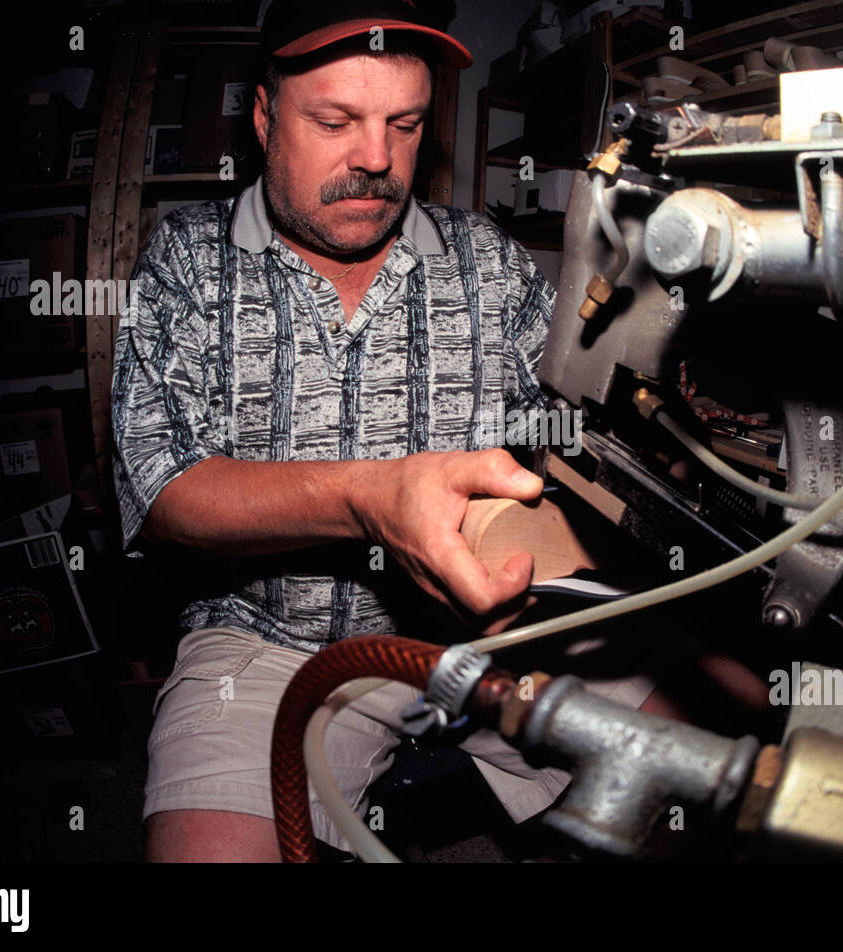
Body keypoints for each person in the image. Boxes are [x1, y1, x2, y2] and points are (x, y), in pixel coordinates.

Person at [112, 0, 653, 861]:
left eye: (404, 124)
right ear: (262, 117)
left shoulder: (489, 259)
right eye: (335, 121)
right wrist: (371, 500)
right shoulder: (185, 261)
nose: (376, 158)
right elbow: (162, 492)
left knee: (698, 775)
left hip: (494, 628)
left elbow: (579, 425)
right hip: (267, 643)